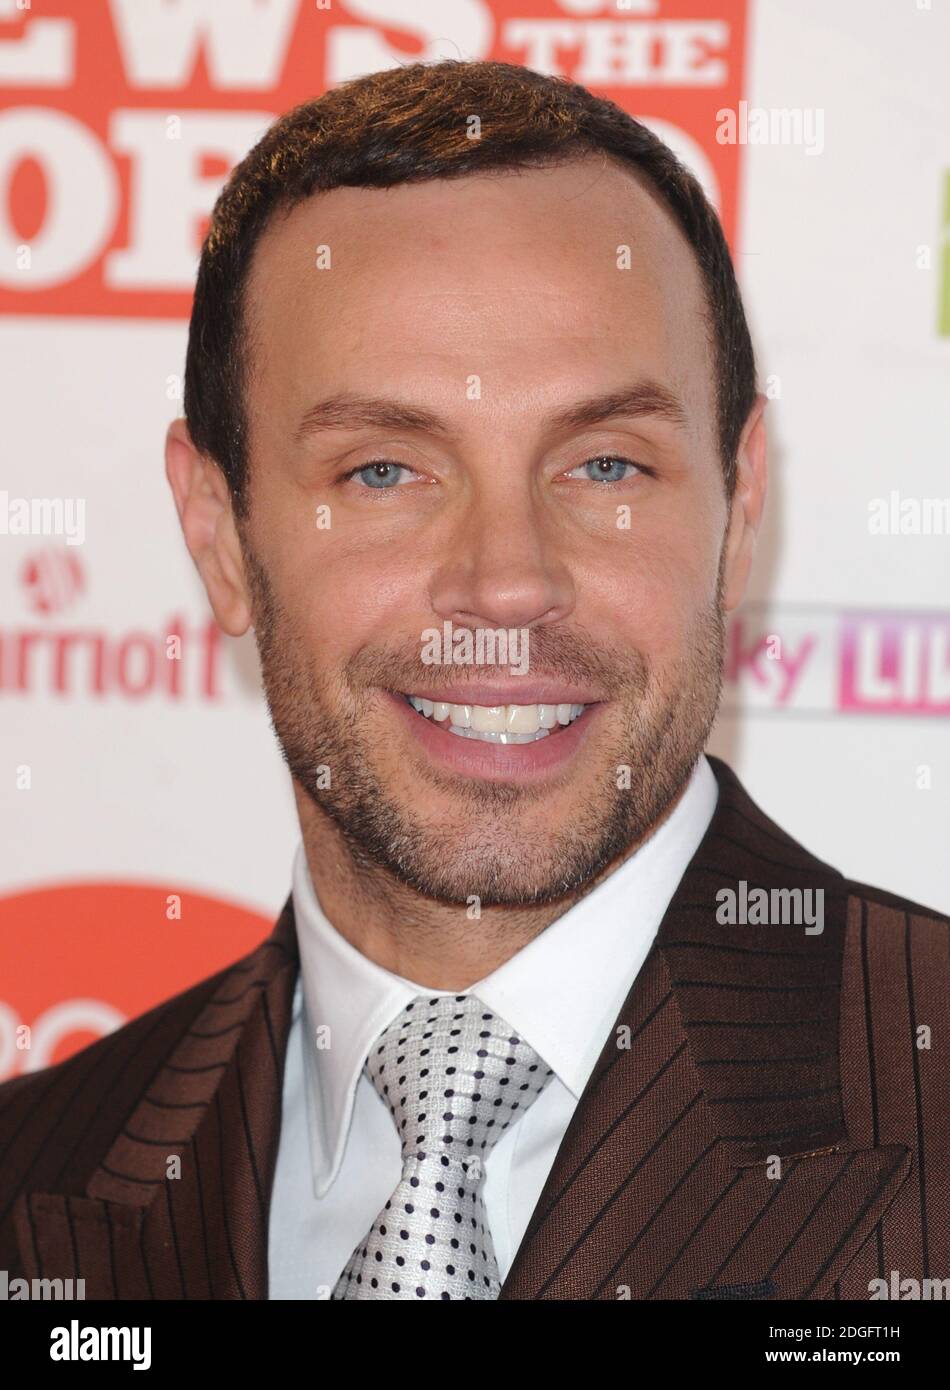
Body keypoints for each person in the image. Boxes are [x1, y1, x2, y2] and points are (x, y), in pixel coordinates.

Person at [1, 60, 946, 1303]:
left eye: (604, 465)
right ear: (222, 536)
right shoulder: (31, 1184)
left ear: (737, 509)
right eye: (384, 472)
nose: (506, 585)